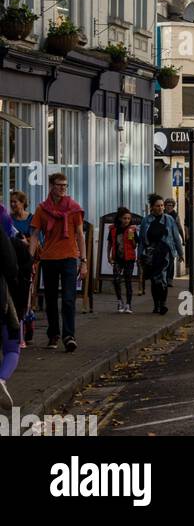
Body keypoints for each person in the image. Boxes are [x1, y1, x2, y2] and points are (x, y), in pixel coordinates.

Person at [28, 173, 86, 353]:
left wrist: (83, 261)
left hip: (69, 257)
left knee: (68, 299)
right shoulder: (42, 209)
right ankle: (53, 333)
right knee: (51, 300)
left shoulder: (74, 208)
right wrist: (31, 260)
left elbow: (79, 234)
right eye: (59, 185)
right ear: (51, 186)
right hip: (49, 258)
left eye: (65, 186)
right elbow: (35, 235)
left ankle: (69, 336)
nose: (63, 188)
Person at [0, 203, 30, 412]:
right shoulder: (10, 243)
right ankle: (1, 379)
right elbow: (13, 271)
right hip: (4, 300)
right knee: (12, 347)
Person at [138, 196, 183, 314]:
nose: (161, 208)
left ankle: (163, 304)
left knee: (162, 279)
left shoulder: (169, 219)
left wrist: (180, 253)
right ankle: (156, 305)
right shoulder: (145, 221)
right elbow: (142, 240)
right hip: (151, 254)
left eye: (162, 205)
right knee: (154, 280)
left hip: (165, 253)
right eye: (158, 206)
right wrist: (139, 255)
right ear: (152, 207)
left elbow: (175, 237)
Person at [108, 207, 139, 313]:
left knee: (128, 280)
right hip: (117, 258)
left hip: (129, 258)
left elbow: (134, 246)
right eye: (124, 218)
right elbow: (110, 243)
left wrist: (132, 237)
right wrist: (109, 255)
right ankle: (119, 301)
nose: (127, 220)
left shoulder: (132, 230)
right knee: (116, 280)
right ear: (120, 218)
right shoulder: (113, 230)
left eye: (128, 218)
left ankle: (128, 305)